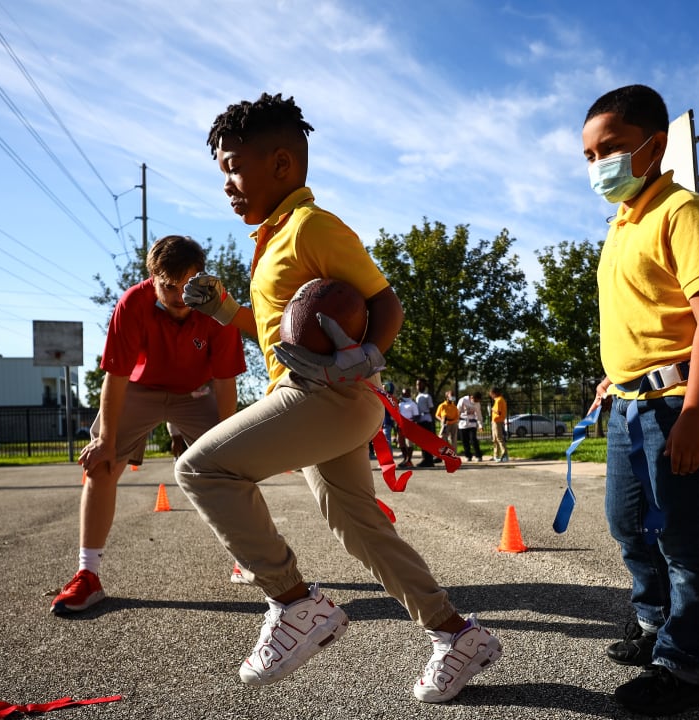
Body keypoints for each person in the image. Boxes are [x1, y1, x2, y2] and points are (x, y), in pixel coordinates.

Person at [174, 93, 500, 703]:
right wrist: (223, 310)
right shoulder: (272, 241)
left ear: (281, 164)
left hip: (326, 396)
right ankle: (457, 635)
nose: (227, 185)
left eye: (233, 168)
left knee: (202, 467)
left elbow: (386, 303)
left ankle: (295, 603)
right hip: (314, 396)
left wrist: (369, 352)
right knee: (360, 530)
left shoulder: (312, 227)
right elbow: (279, 335)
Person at [582, 83, 699, 715]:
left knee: (685, 537)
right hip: (628, 403)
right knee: (626, 523)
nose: (598, 165)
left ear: (656, 143)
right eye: (589, 155)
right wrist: (611, 381)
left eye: (610, 148)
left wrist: (697, 410)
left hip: (679, 402)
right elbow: (637, 318)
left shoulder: (684, 212)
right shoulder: (622, 223)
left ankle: (684, 665)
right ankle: (652, 622)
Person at [53, 235, 246, 615]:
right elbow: (116, 376)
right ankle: (88, 575)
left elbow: (225, 381)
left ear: (201, 277)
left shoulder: (217, 306)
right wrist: (106, 439)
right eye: (168, 286)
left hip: (195, 391)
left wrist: (230, 445)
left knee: (235, 468)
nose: (177, 296)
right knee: (101, 464)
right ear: (152, 278)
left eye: (185, 286)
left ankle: (249, 557)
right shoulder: (133, 303)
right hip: (140, 389)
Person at [414, 379, 438, 467]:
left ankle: (428, 459)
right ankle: (426, 458)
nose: (418, 386)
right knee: (422, 441)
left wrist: (431, 421)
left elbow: (431, 409)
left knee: (426, 441)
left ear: (424, 385)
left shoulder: (427, 396)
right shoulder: (418, 396)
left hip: (426, 420)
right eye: (417, 384)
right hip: (420, 420)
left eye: (420, 384)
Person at [457, 389, 484, 462]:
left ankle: (478, 455)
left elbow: (478, 414)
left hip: (472, 423)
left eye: (478, 401)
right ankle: (468, 456)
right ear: (472, 397)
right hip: (463, 423)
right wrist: (456, 422)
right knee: (465, 441)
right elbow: (457, 411)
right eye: (475, 400)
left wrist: (480, 425)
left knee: (473, 440)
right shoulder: (463, 400)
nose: (476, 402)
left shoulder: (477, 403)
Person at [396, 387, 420, 469]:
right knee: (401, 443)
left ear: (409, 394)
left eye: (405, 393)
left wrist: (410, 422)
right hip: (400, 426)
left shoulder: (412, 404)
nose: (403, 395)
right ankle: (405, 459)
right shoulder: (400, 404)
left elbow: (417, 416)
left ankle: (409, 460)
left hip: (409, 426)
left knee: (409, 444)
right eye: (403, 393)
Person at [489, 387, 510, 462]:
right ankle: (496, 455)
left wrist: (492, 409)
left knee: (499, 438)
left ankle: (505, 454)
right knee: (495, 439)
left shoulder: (499, 400)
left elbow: (498, 412)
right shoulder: (500, 400)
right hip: (496, 421)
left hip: (497, 421)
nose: (491, 396)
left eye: (491, 394)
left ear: (494, 393)